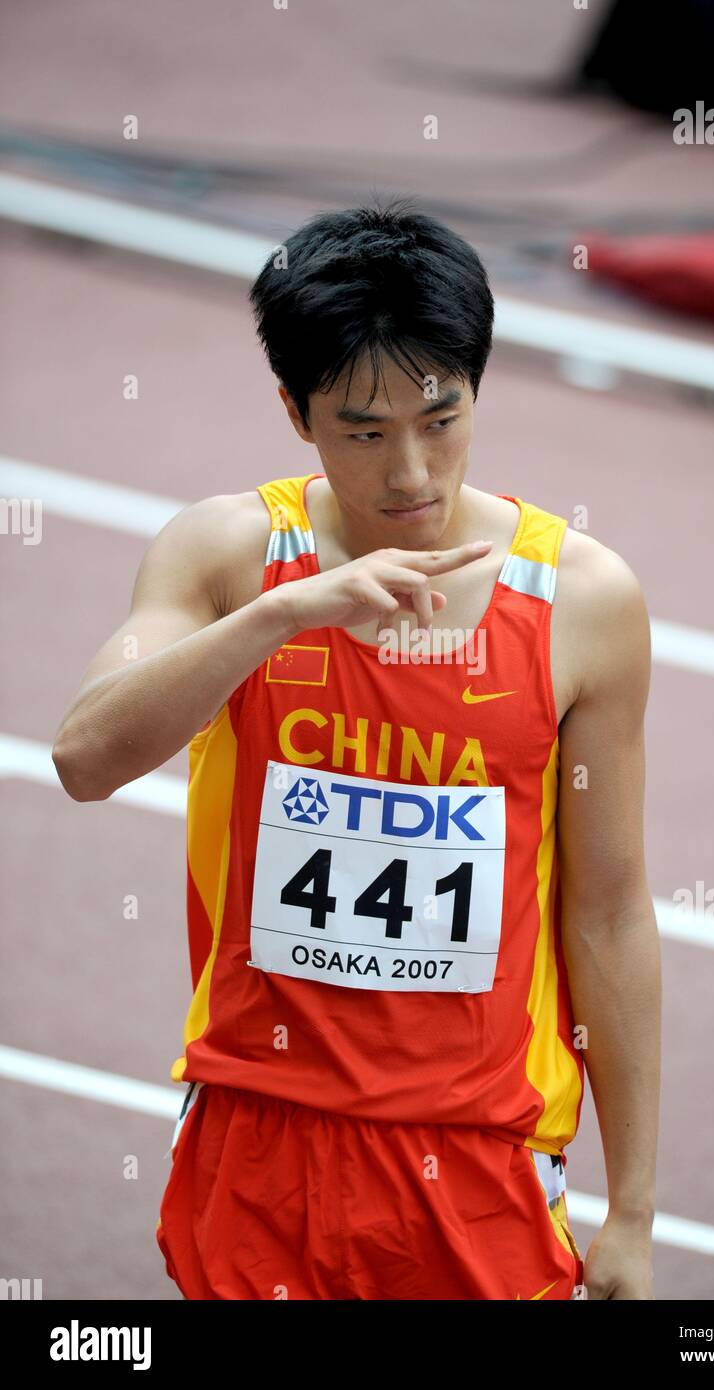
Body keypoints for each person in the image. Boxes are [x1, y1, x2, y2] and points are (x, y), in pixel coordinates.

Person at [52, 199, 660, 1301]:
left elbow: (609, 909)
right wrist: (278, 616)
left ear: (476, 385)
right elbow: (86, 759)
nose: (412, 472)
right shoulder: (233, 554)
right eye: (364, 432)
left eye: (442, 417)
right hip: (258, 1128)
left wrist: (635, 1208)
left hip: (478, 1154)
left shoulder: (581, 599)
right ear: (296, 412)